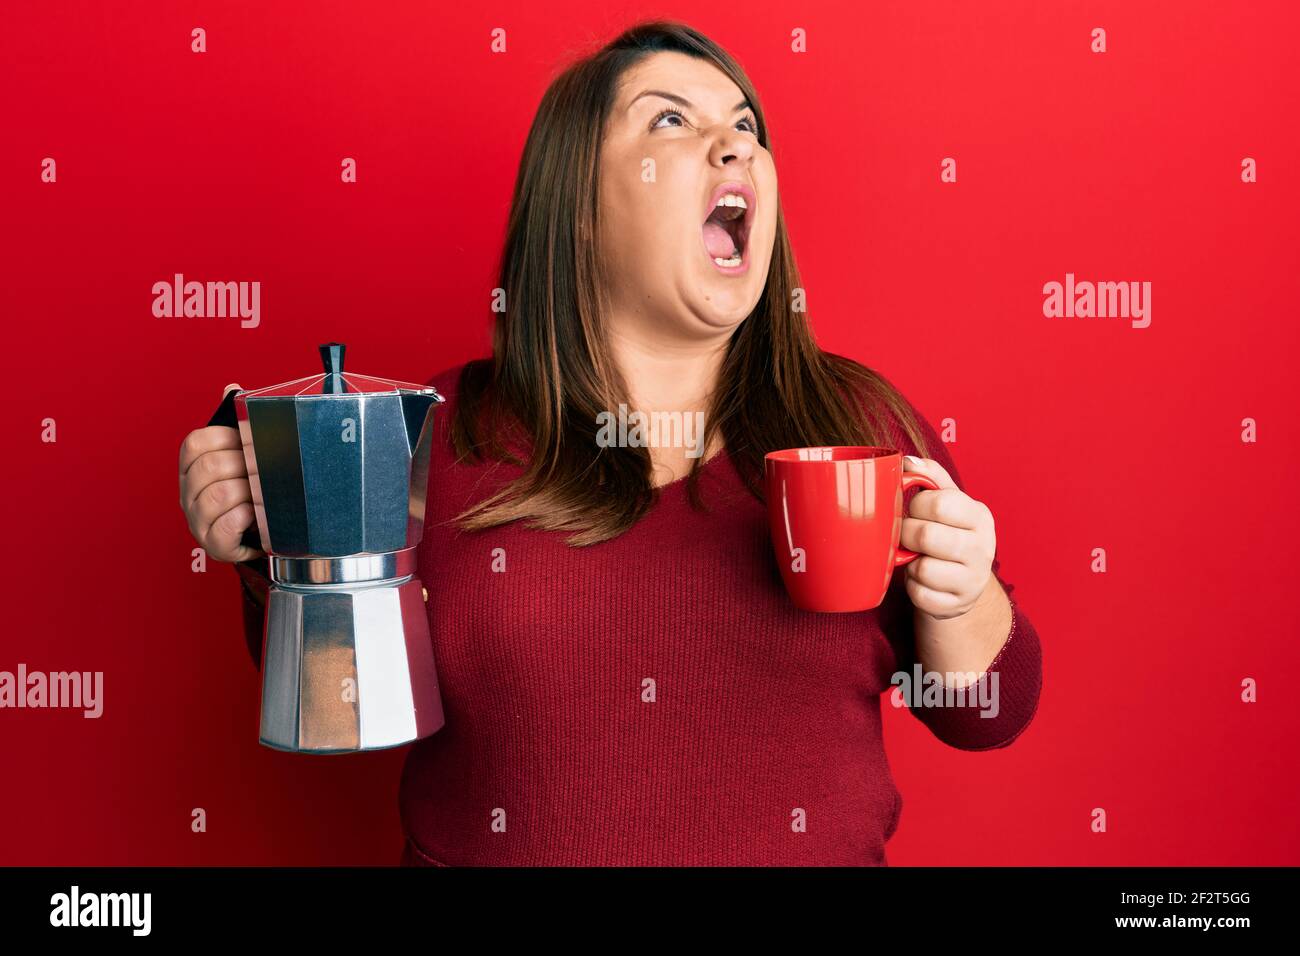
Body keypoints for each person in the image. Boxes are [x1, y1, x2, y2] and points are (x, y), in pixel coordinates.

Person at [177, 20, 1042, 866]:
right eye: (672, 118)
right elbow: (340, 697)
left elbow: (989, 715)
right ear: (578, 210)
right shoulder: (436, 430)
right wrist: (267, 541)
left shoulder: (861, 425)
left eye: (745, 125)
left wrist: (962, 601)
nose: (733, 144)